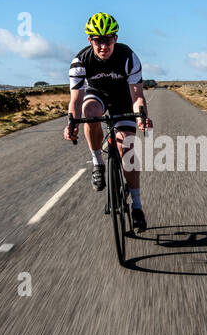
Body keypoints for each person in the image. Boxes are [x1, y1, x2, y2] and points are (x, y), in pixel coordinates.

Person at [64, 12, 153, 232]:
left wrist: (141, 117)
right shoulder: (80, 61)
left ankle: (137, 207)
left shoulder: (128, 57)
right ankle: (97, 162)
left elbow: (137, 96)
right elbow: (75, 101)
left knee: (128, 149)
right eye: (98, 40)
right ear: (90, 40)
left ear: (115, 37)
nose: (104, 45)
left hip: (124, 100)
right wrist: (72, 124)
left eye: (108, 39)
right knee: (89, 111)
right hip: (97, 95)